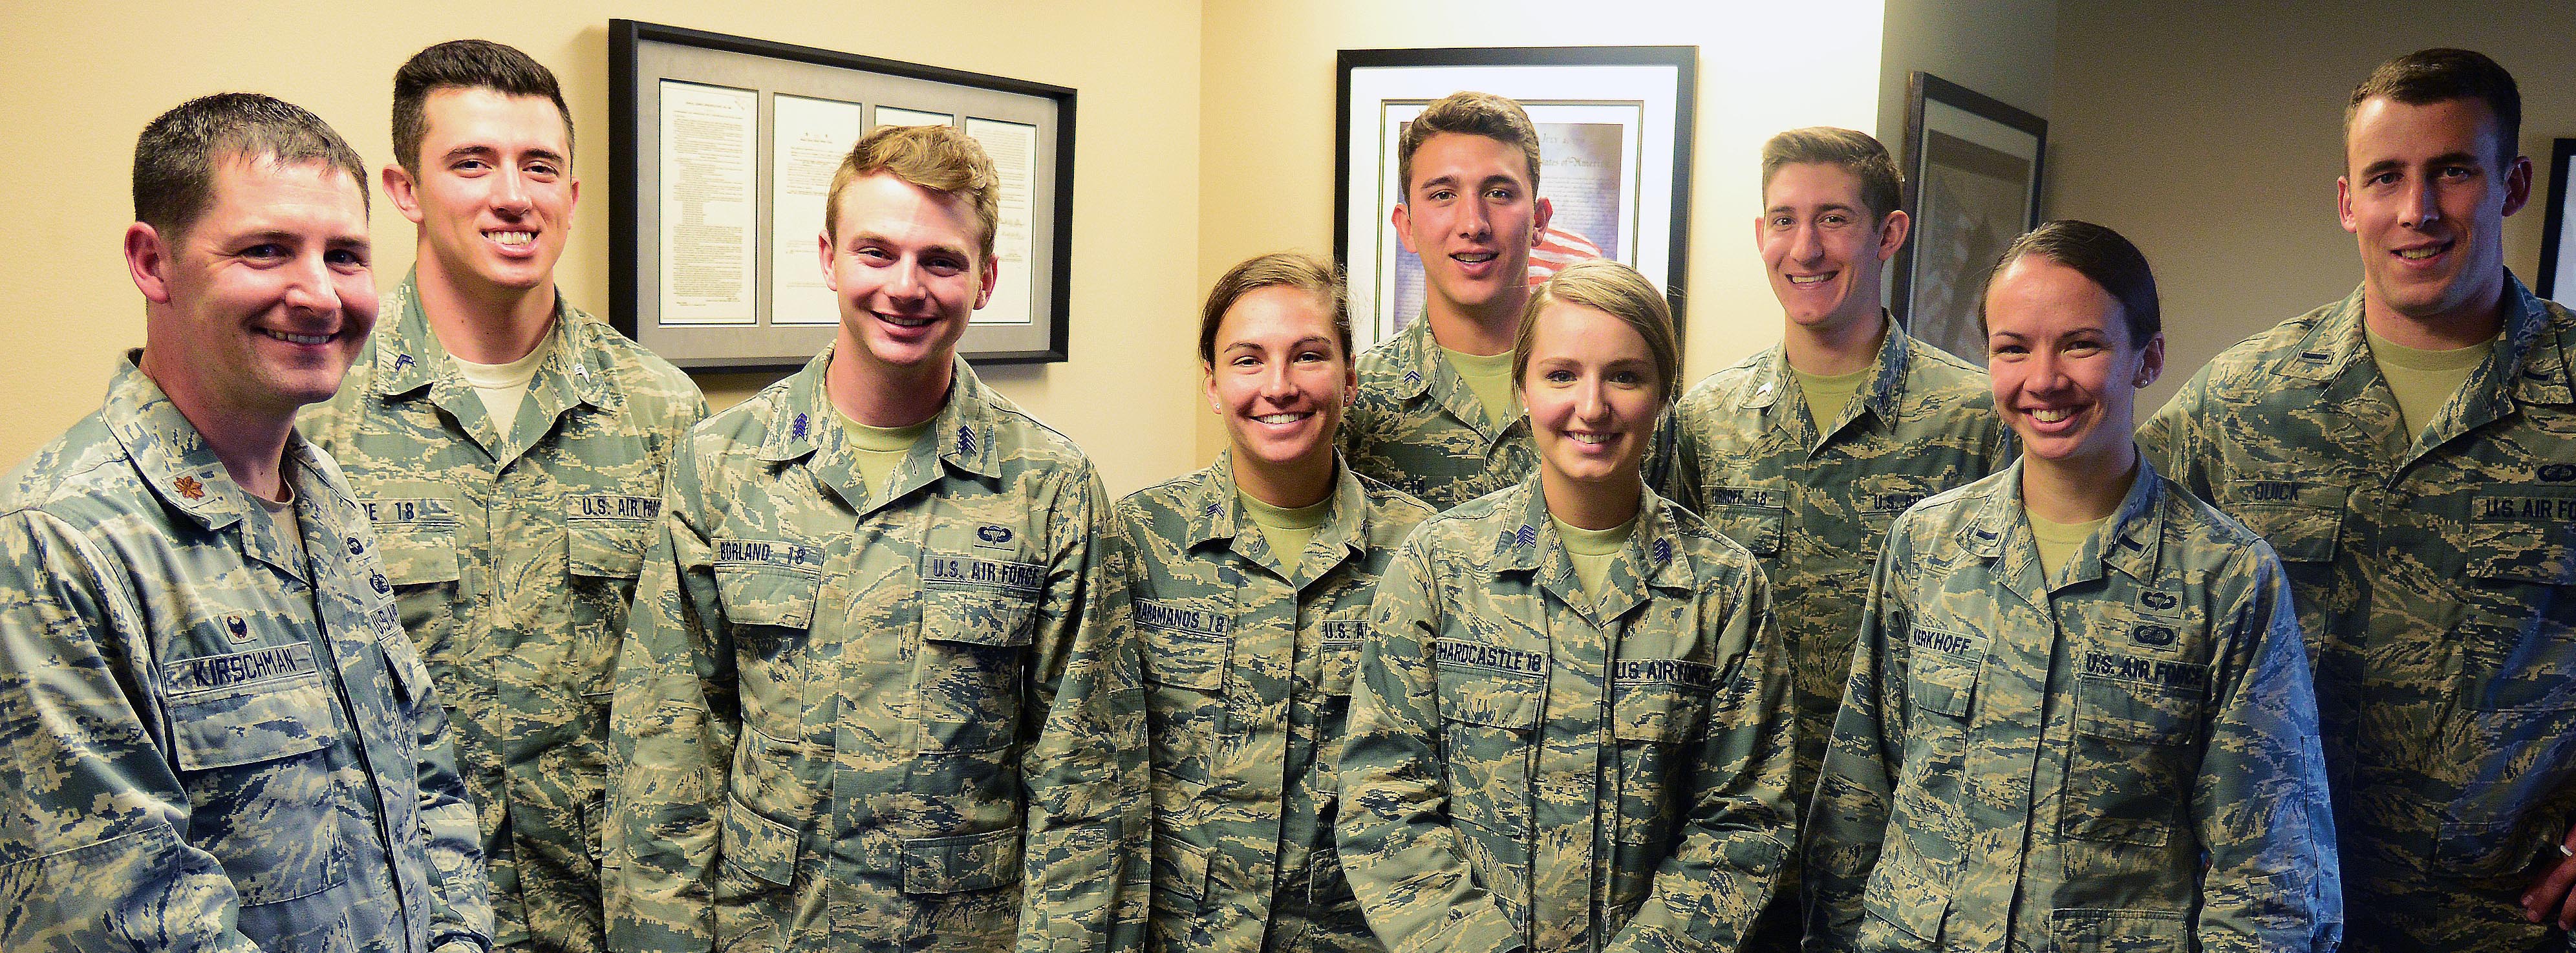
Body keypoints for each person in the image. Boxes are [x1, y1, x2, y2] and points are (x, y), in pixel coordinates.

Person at [606, 123, 1146, 953]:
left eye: (941, 260)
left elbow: (1085, 784)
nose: (907, 286)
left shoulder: (1048, 486)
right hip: (768, 932)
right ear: (828, 258)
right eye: (876, 252)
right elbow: (666, 749)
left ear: (987, 279)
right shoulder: (722, 466)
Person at [0, 93, 491, 952]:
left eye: (344, 256)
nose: (317, 294)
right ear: (153, 261)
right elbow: (127, 921)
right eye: (266, 251)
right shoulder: (56, 547)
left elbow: (421, 775)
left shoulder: (324, 495)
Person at [2137, 47, 2576, 952]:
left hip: (2505, 922)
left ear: (2513, 183)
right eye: (2387, 177)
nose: (2417, 210)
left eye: (2452, 171)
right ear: (2349, 202)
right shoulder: (2245, 398)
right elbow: (2108, 545)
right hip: (2273, 913)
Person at [1807, 221, 2340, 952]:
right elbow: (1857, 798)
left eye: (2081, 344)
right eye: (2013, 347)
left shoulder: (2225, 576)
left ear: (2146, 359)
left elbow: (2269, 872)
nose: (2044, 378)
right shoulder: (1926, 546)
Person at [300, 39, 706, 953]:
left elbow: (694, 702)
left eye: (540, 167)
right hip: (392, 913)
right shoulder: (321, 407)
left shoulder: (658, 410)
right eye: (473, 163)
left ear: (571, 193)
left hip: (607, 916)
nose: (513, 196)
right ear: (403, 190)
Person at [1338, 258, 1796, 953]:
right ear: (1522, 387)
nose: (1591, 406)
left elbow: (1745, 819)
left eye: (1624, 375)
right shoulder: (1440, 565)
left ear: (1663, 393)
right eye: (1561, 374)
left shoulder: (1723, 589)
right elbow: (1384, 798)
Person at [1668, 127, 2012, 951]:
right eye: (1783, 220)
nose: (1805, 247)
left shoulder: (1974, 419)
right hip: (1734, 843)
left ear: (1888, 234)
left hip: (1910, 854)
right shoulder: (1706, 423)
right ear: (1759, 236)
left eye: (1833, 219)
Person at [1124, 252, 1434, 953]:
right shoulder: (1138, 540)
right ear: (1210, 383)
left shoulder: (1424, 555)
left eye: (1309, 356)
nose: (1279, 386)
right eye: (1247, 360)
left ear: (1351, 377)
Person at [1338, 91, 1554, 509]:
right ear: (1407, 227)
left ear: (1540, 221)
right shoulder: (1355, 402)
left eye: (1499, 193)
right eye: (1442, 195)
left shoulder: (1610, 391)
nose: (1473, 224)